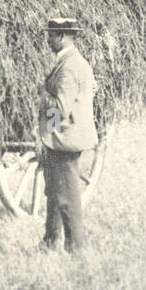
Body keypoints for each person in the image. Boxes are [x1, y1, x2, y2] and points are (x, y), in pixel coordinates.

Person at [38, 17, 98, 253]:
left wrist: (42, 95)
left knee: (67, 198)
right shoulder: (75, 62)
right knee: (55, 192)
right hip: (62, 138)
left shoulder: (70, 67)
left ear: (62, 37)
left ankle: (76, 249)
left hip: (66, 140)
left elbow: (59, 109)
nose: (48, 40)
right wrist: (49, 136)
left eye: (51, 35)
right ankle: (50, 242)